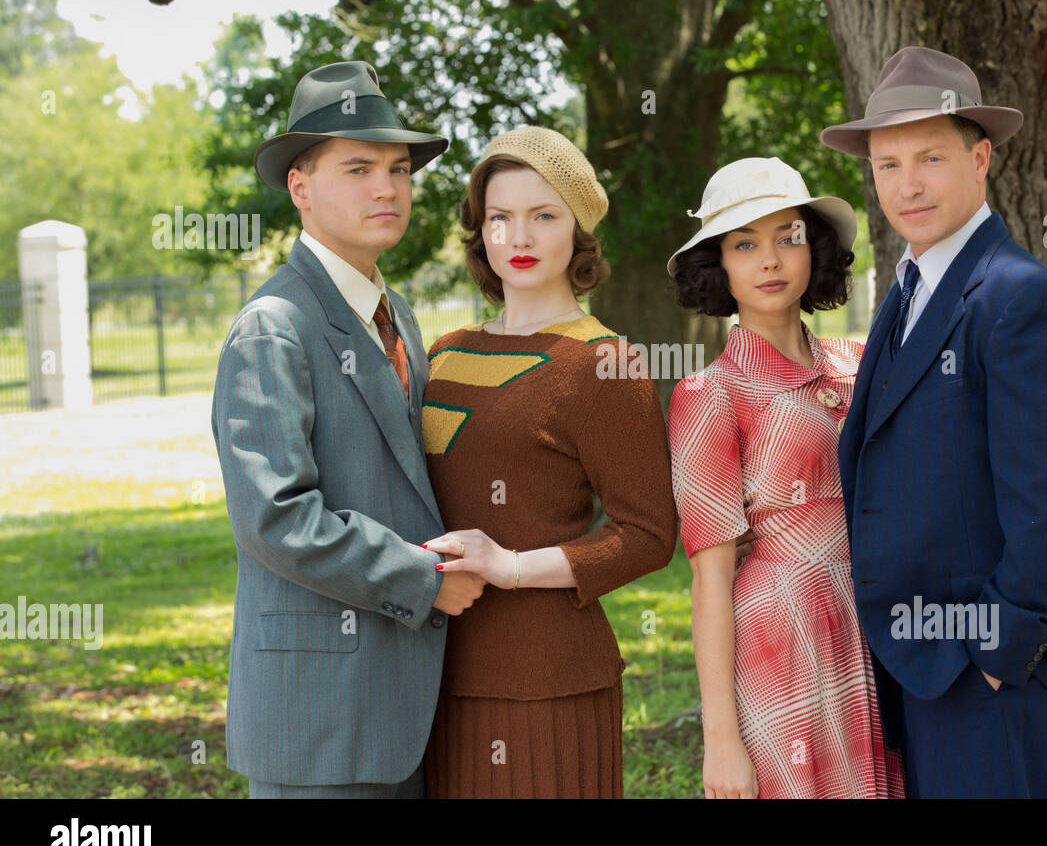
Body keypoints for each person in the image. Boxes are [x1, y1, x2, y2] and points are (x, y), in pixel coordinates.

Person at [823, 45, 1047, 797]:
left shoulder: (1021, 299)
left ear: (980, 157)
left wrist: (991, 653)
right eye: (888, 165)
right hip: (915, 668)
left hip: (991, 678)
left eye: (931, 158)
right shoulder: (908, 290)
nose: (907, 184)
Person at [211, 61, 485, 797]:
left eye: (398, 169)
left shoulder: (399, 316)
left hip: (403, 700)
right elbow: (275, 518)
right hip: (319, 714)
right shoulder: (274, 328)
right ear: (301, 186)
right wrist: (421, 581)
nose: (386, 188)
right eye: (358, 167)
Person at [418, 125, 677, 798]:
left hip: (549, 683)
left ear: (579, 234)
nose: (519, 237)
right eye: (500, 218)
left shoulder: (604, 362)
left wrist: (509, 567)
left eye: (543, 215)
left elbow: (649, 535)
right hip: (429, 680)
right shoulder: (441, 354)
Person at [665, 156, 906, 799]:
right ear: (719, 264)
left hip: (882, 626)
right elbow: (709, 579)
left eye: (787, 237)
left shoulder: (863, 364)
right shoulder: (708, 394)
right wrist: (721, 738)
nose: (770, 260)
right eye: (745, 244)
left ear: (814, 248)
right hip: (780, 639)